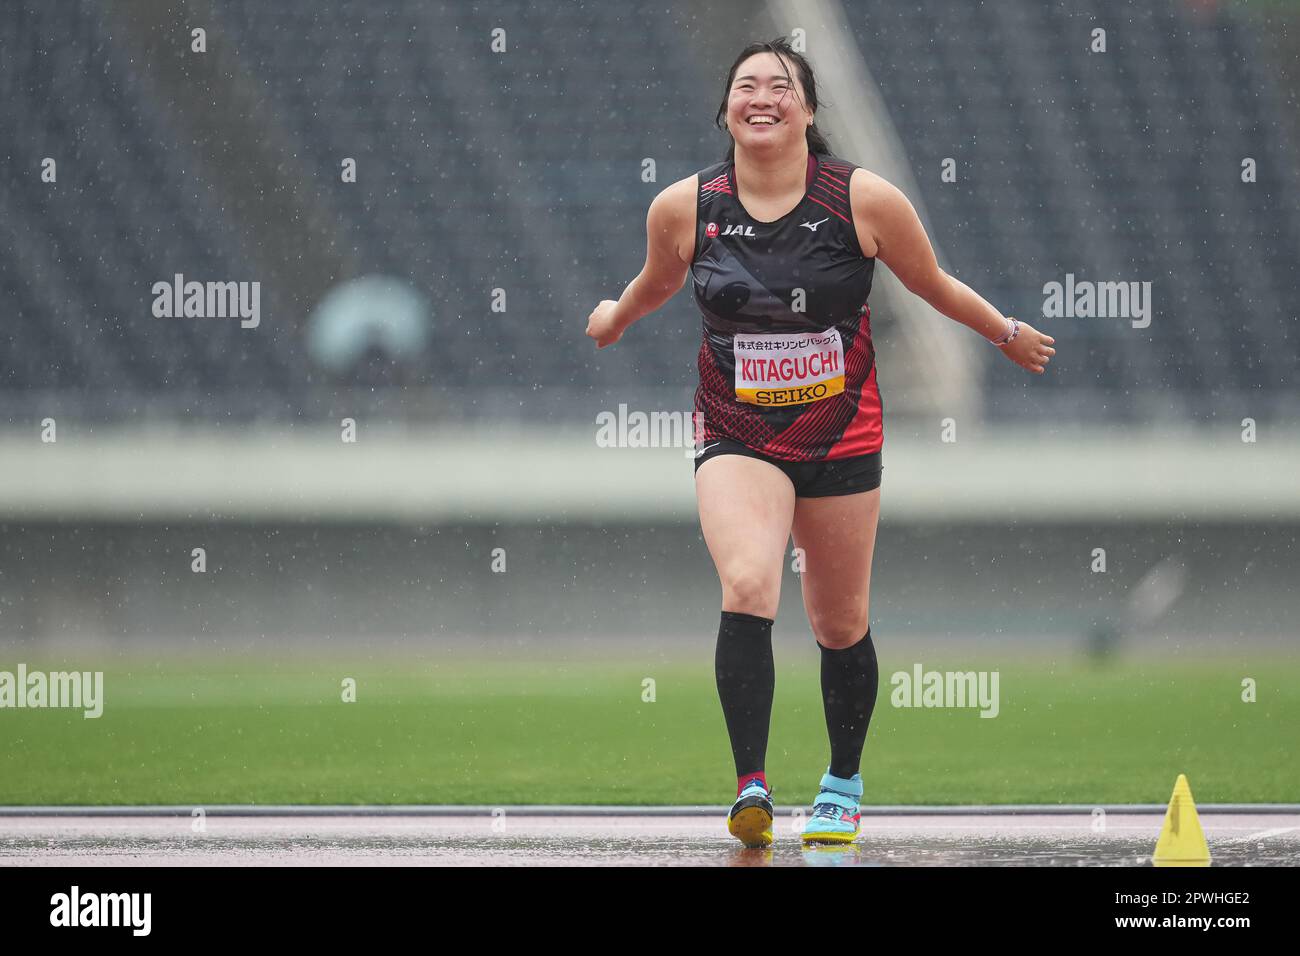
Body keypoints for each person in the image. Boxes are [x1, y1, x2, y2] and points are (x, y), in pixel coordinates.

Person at [585, 38, 1055, 847]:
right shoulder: (684, 207)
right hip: (737, 431)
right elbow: (658, 280)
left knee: (839, 622)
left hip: (841, 434)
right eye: (746, 85)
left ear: (807, 110)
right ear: (726, 111)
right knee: (747, 582)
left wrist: (1005, 332)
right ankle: (752, 788)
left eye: (781, 85)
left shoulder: (862, 199)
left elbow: (931, 283)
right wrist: (616, 316)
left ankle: (842, 784)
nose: (762, 97)